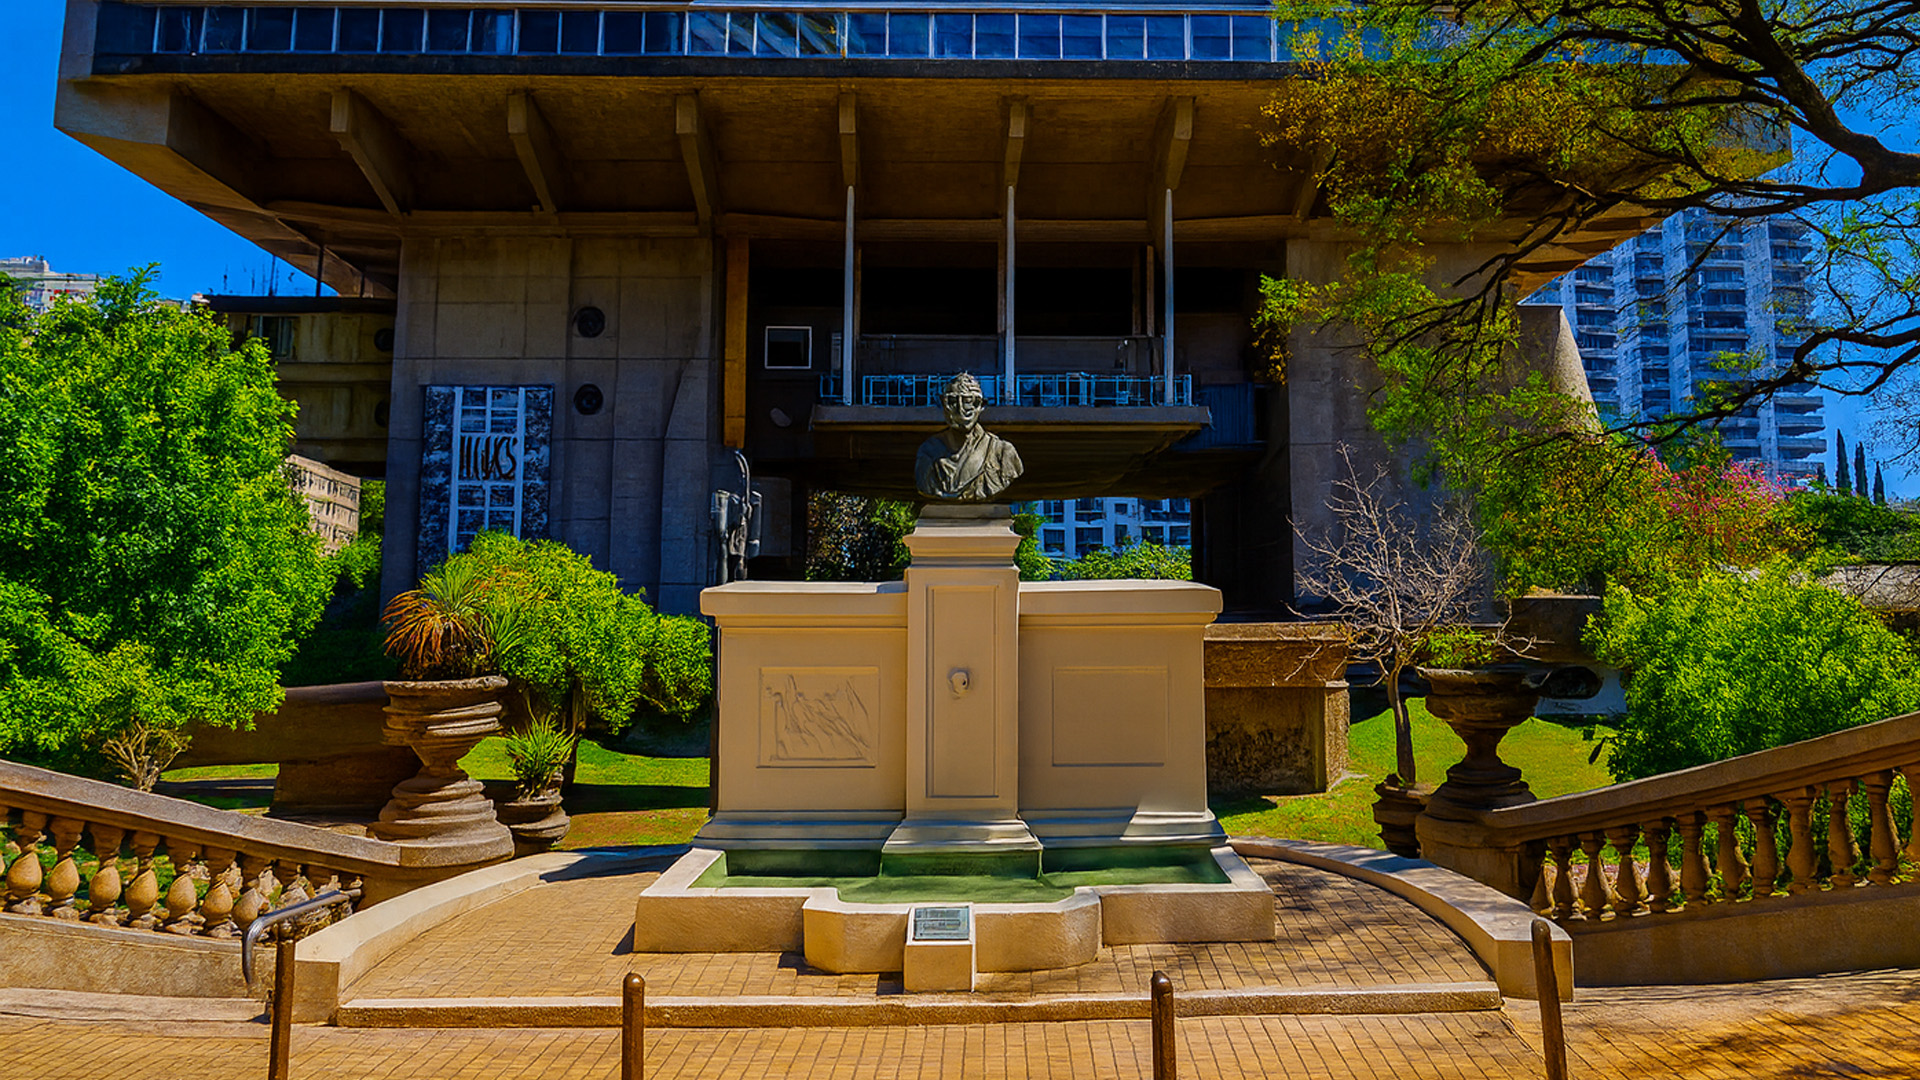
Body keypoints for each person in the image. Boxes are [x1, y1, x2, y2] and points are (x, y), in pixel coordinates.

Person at [914, 373, 1024, 501]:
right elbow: (924, 486)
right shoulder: (928, 450)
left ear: (981, 406)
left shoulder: (1002, 451)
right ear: (943, 404)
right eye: (953, 401)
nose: (962, 409)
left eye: (970, 401)